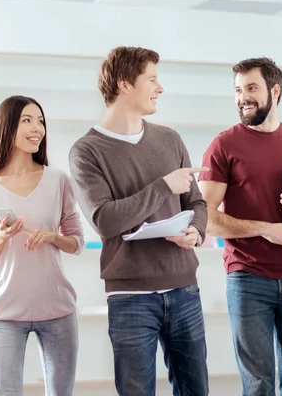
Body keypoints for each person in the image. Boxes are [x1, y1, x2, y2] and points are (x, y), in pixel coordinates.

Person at [68, 46, 209, 396]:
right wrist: (162, 186)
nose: (160, 88)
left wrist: (196, 231)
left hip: (184, 290)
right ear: (124, 85)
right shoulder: (86, 151)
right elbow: (104, 219)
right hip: (130, 297)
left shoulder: (170, 139)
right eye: (152, 79)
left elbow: (196, 201)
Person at [198, 57, 282, 395]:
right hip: (248, 279)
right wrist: (265, 228)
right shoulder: (224, 145)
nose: (243, 97)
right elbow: (206, 218)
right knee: (258, 384)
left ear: (275, 90)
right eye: (238, 90)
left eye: (251, 88)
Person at [0, 95, 85, 396]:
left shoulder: (58, 180)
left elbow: (78, 243)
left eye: (41, 121)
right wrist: (1, 239)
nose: (38, 128)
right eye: (27, 120)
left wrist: (52, 237)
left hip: (57, 308)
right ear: (7, 128)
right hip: (4, 312)